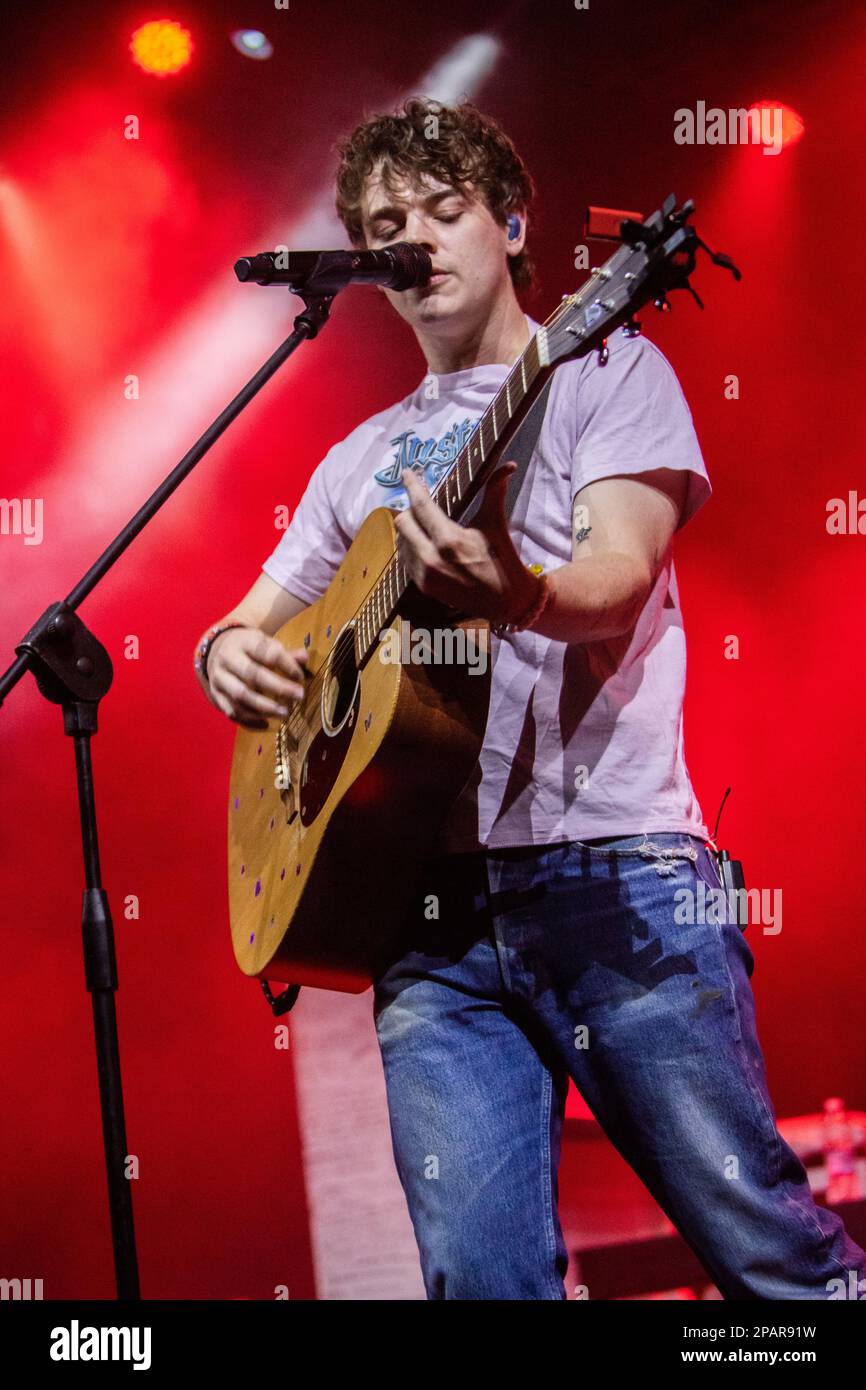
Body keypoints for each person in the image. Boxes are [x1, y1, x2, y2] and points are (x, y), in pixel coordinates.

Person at [194, 98, 866, 1300]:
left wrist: (514, 588)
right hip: (423, 915)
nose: (416, 242)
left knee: (766, 1257)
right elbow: (251, 619)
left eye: (442, 213)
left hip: (611, 875)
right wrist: (220, 657)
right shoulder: (357, 458)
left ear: (510, 222)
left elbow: (616, 578)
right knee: (476, 1278)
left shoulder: (607, 364)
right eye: (385, 225)